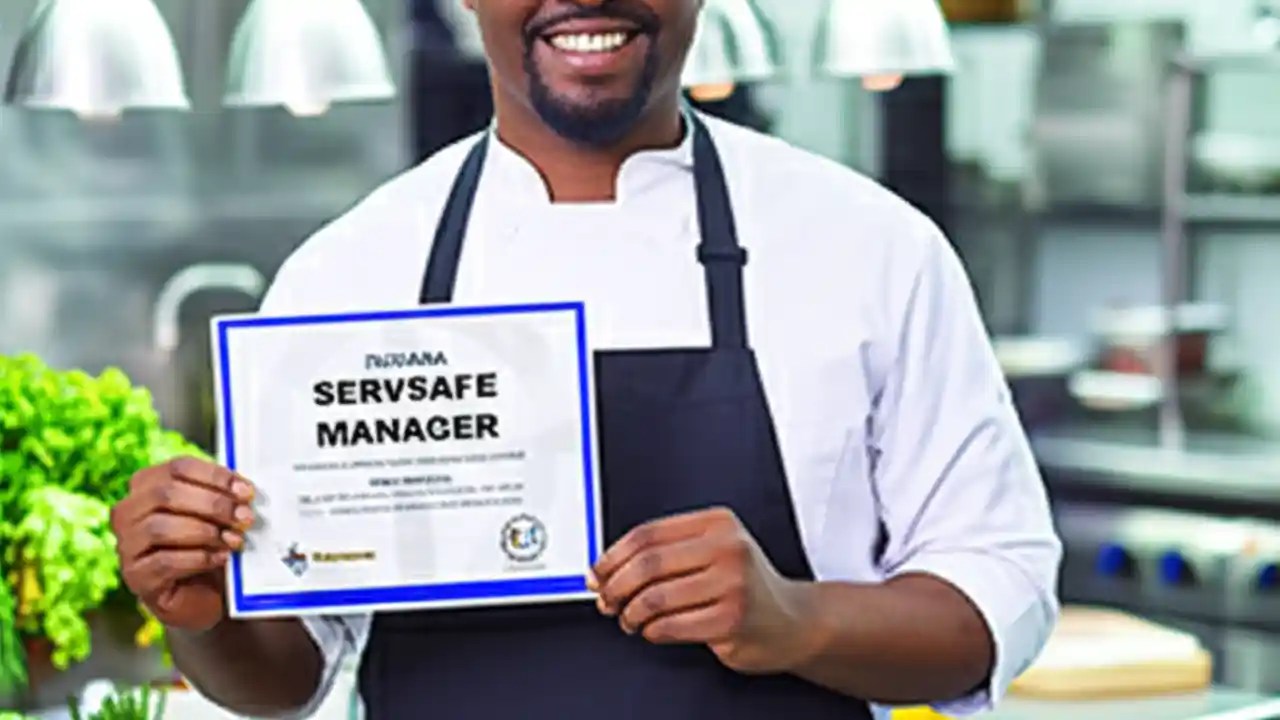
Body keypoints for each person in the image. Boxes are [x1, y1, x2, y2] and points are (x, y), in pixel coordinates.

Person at [108, 1, 1062, 718]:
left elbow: (996, 594)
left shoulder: (870, 248)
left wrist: (795, 620)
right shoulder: (350, 272)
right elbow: (288, 676)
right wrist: (202, 613)